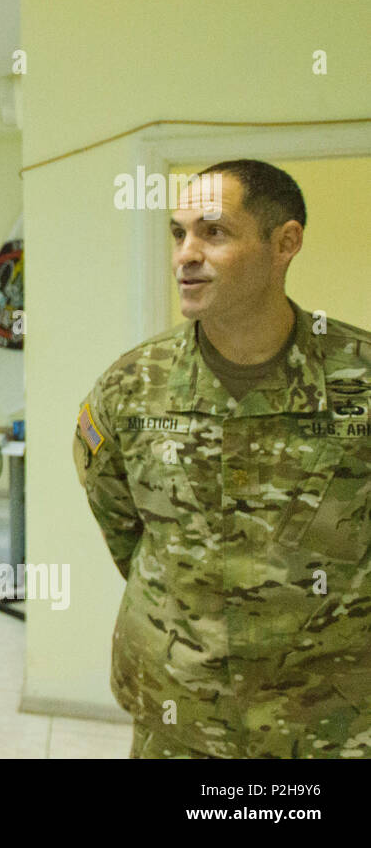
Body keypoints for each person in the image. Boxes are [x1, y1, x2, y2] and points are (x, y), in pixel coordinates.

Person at [74, 159, 371, 758]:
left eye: (213, 233)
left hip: (330, 721)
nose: (185, 254)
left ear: (284, 243)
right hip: (178, 711)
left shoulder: (358, 378)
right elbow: (122, 523)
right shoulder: (132, 387)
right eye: (178, 233)